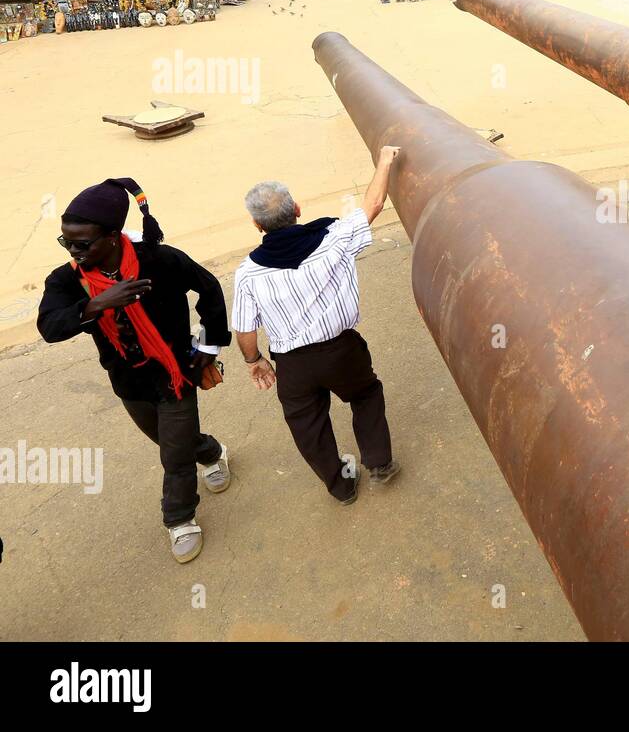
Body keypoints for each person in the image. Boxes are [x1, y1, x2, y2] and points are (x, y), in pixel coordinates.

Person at [37, 179, 231, 563]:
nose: (74, 252)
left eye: (82, 243)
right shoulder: (67, 280)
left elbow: (208, 288)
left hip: (176, 374)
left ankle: (179, 519)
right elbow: (49, 327)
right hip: (127, 381)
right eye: (67, 243)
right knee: (168, 440)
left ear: (111, 237)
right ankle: (212, 452)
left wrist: (209, 346)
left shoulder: (159, 260)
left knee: (174, 457)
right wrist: (95, 305)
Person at [232, 148, 402, 505]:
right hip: (341, 350)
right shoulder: (334, 238)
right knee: (365, 394)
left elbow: (245, 328)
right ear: (296, 210)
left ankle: (341, 487)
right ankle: (379, 463)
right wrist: (385, 161)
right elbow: (373, 204)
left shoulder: (248, 273)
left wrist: (255, 361)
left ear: (257, 225)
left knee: (308, 425)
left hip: (292, 363)